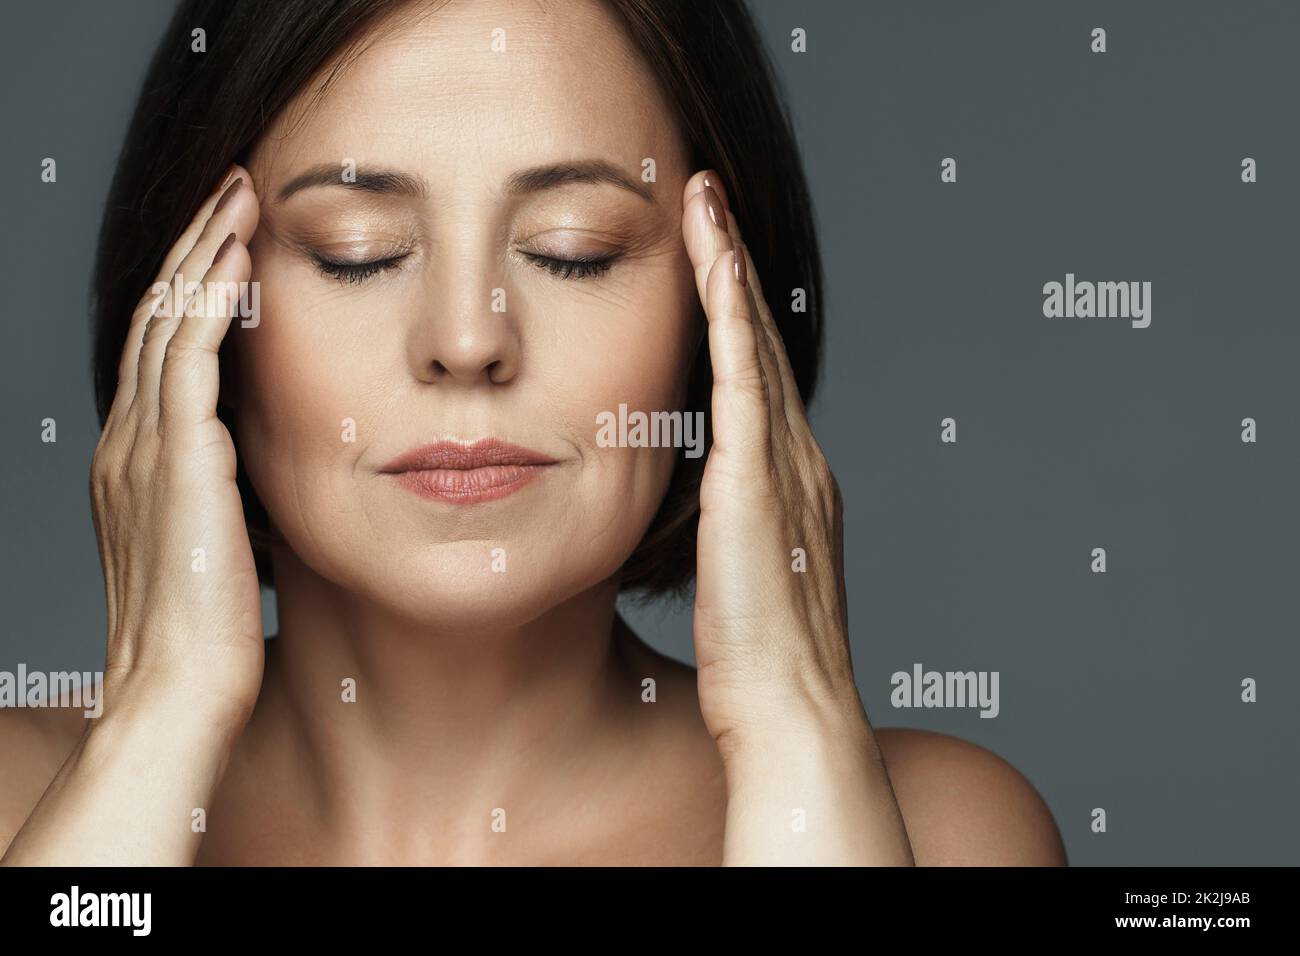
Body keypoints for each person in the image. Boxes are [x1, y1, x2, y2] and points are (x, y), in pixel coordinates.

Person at [0, 0, 1066, 866]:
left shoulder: (940, 832)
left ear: (716, 304)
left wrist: (797, 738)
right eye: (355, 250)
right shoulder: (23, 804)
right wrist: (150, 739)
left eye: (575, 250)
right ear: (197, 312)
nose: (469, 339)